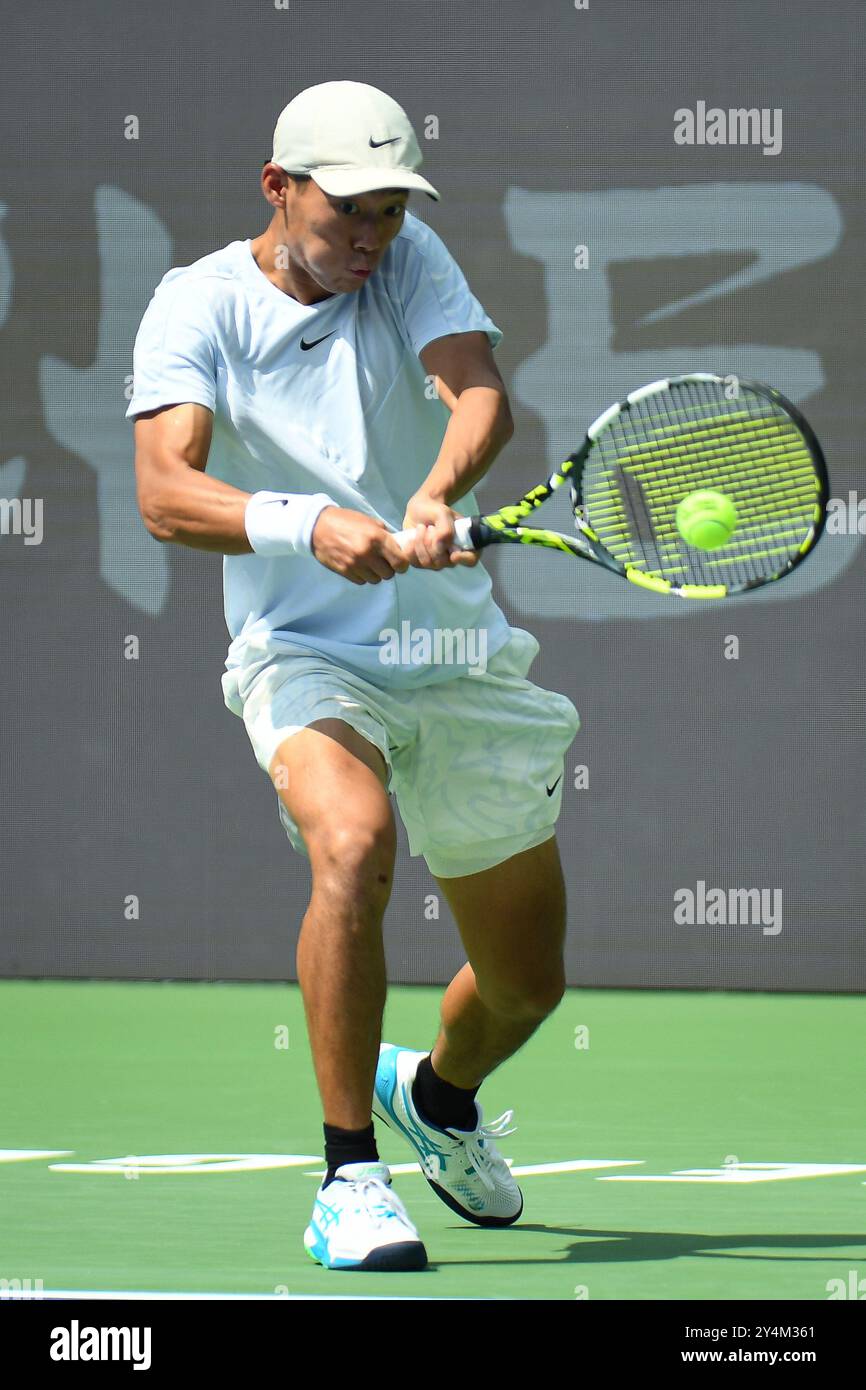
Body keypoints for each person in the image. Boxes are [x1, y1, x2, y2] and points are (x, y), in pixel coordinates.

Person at [128, 79, 580, 1273]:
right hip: (305, 652)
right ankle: (347, 1178)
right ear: (277, 189)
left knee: (528, 983)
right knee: (350, 846)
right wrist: (304, 523)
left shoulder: (407, 259)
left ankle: (434, 1096)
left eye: (389, 210)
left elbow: (476, 387)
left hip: (452, 653)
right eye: (347, 212)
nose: (371, 236)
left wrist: (432, 493)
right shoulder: (198, 306)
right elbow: (165, 494)